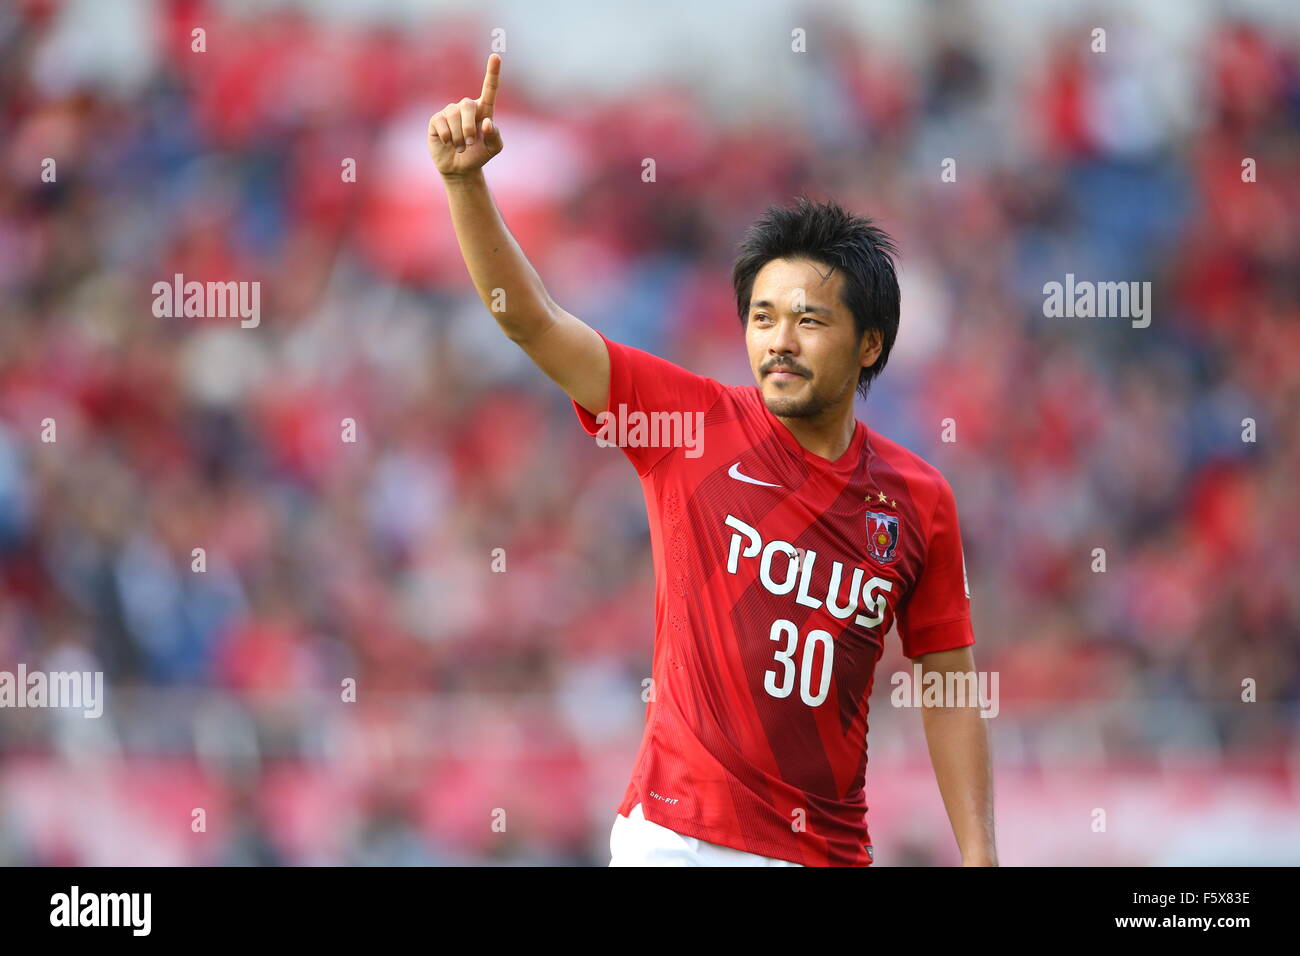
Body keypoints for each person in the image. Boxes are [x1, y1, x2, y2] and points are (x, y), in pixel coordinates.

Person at [428, 54, 997, 867]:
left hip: (828, 852)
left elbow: (945, 682)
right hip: (678, 841)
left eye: (809, 320)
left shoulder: (918, 499)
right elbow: (535, 323)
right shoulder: (687, 423)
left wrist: (979, 854)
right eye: (762, 317)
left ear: (870, 344)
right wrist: (465, 186)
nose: (779, 341)